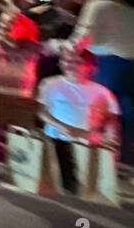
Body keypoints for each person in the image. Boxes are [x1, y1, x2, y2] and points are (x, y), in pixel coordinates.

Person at [69, 0, 134, 165]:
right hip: (130, 67)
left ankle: (97, 166)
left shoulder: (98, 6)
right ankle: (125, 161)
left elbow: (82, 39)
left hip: (106, 67)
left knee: (98, 117)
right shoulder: (130, 9)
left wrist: (59, 48)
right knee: (126, 118)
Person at [37, 47, 121, 194]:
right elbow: (42, 112)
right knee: (63, 184)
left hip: (88, 145)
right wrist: (64, 128)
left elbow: (111, 120)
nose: (70, 65)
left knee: (86, 189)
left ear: (92, 68)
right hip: (57, 140)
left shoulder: (102, 92)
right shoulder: (51, 84)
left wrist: (110, 141)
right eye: (66, 61)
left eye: (77, 62)